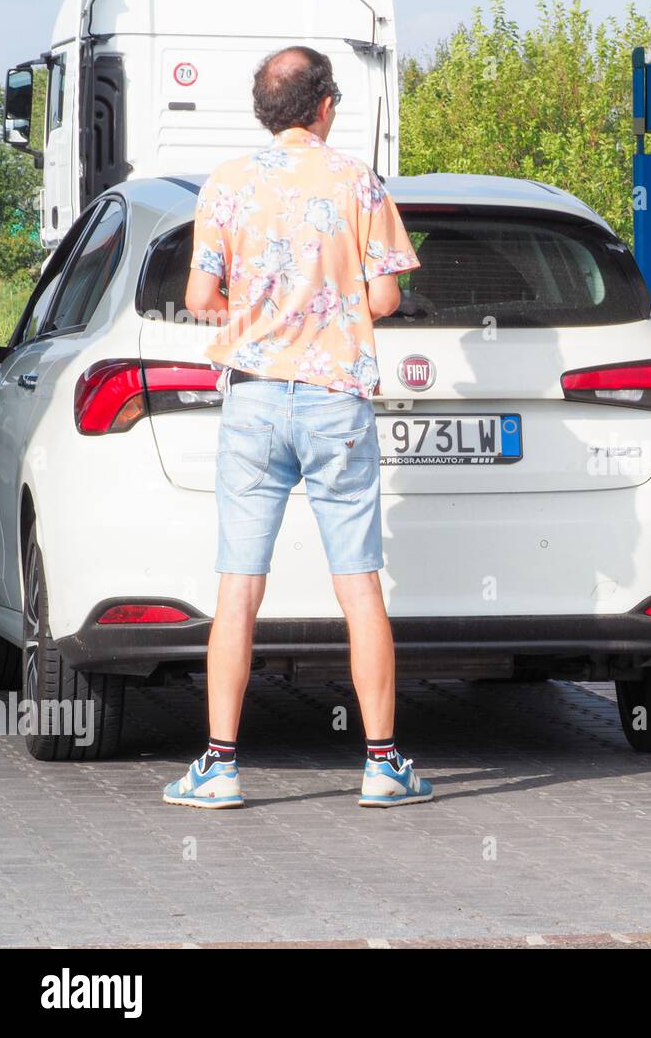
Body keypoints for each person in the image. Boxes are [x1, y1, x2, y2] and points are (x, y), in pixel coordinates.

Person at [165, 45, 428, 810]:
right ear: (325, 105)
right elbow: (382, 300)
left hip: (252, 399)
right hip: (334, 398)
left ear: (264, 109)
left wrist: (254, 311)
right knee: (360, 586)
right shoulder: (356, 181)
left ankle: (218, 766)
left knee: (238, 589)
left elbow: (199, 293)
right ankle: (382, 764)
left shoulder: (227, 183)